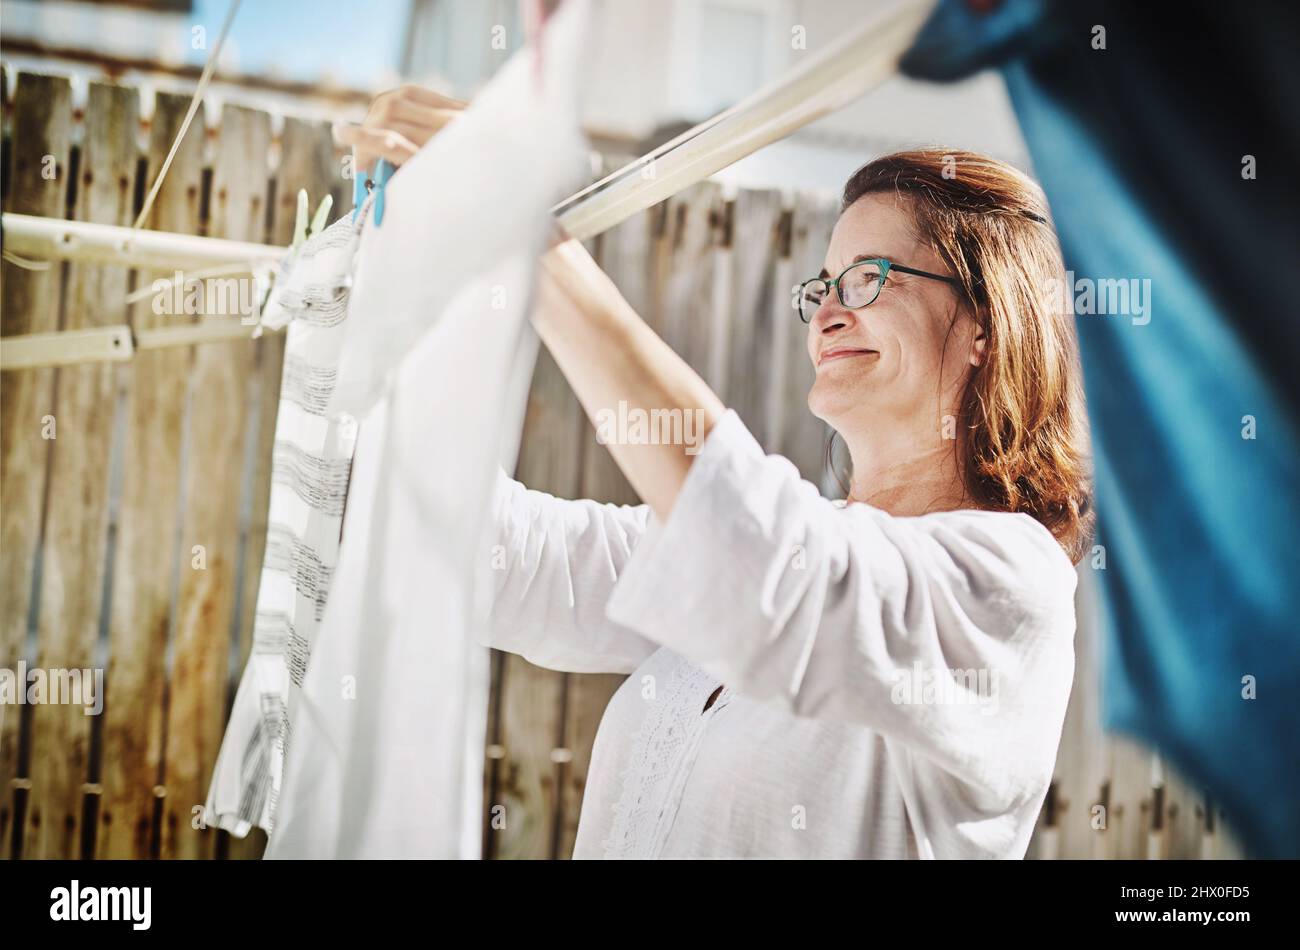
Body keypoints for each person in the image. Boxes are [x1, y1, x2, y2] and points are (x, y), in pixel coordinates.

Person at [342, 88, 1092, 858]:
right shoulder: (797, 539)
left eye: (869, 277)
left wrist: (531, 236)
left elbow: (766, 564)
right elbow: (516, 563)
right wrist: (369, 323)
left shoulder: (1007, 585)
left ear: (986, 322)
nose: (830, 312)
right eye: (822, 286)